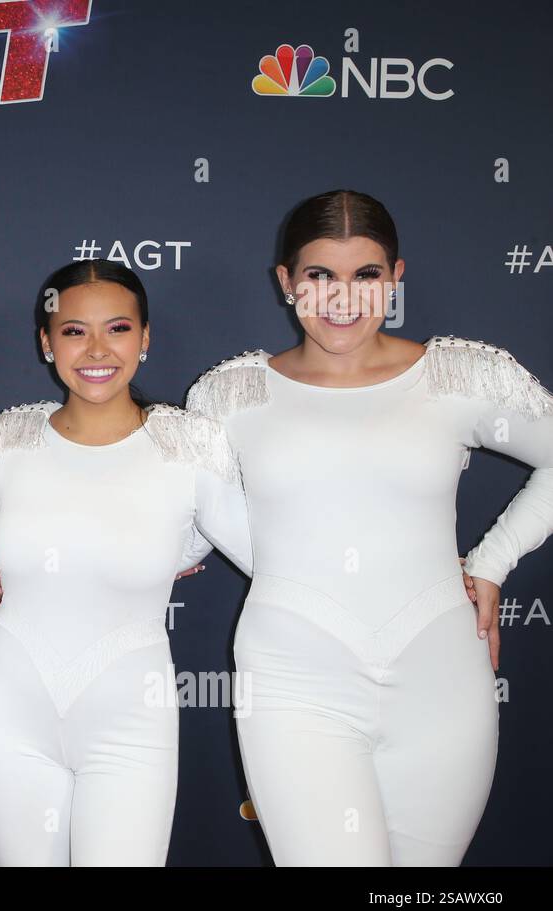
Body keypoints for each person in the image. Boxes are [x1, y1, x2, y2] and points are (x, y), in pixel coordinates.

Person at [187, 189, 553, 865]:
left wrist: (492, 562)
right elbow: (188, 514)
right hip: (296, 678)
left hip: (441, 677)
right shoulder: (232, 396)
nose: (342, 299)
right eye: (320, 275)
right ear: (286, 282)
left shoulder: (458, 377)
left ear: (396, 277)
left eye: (366, 276)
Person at [0, 260, 252, 866]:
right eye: (74, 331)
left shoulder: (187, 445)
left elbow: (270, 557)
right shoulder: (7, 441)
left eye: (118, 328)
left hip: (131, 719)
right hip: (9, 715)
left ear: (145, 338)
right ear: (46, 344)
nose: (97, 349)